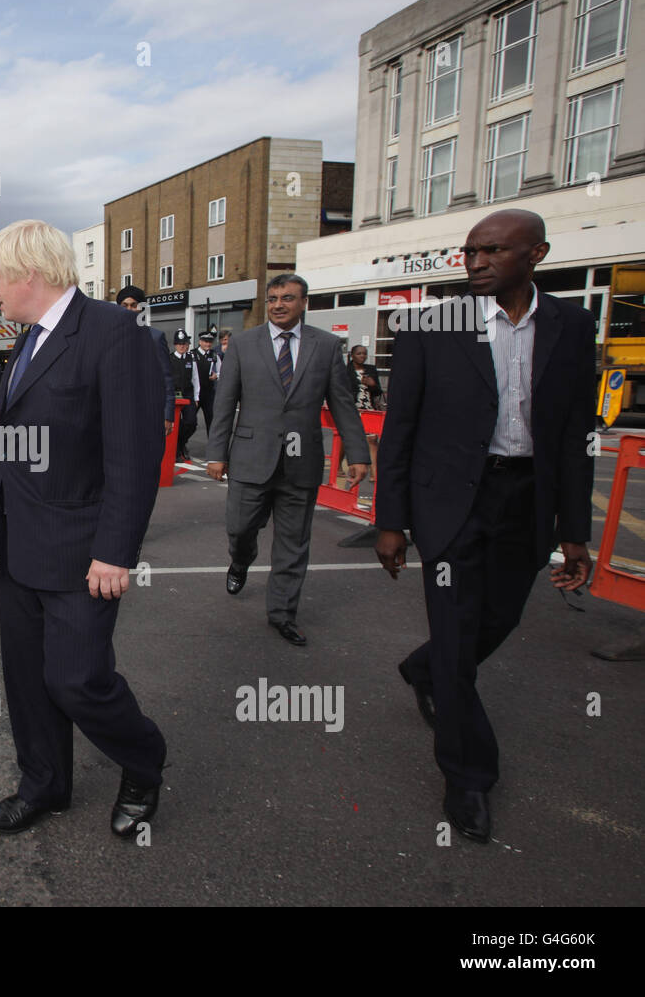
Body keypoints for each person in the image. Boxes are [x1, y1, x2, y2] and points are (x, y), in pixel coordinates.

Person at [0, 220, 167, 839]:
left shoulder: (115, 334)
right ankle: (44, 786)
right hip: (18, 544)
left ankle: (144, 762)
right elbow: (20, 436)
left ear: (30, 272)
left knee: (78, 681)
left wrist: (116, 552)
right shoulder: (28, 340)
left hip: (82, 552)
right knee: (30, 684)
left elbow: (134, 456)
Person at [375, 209, 595, 843]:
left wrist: (573, 531)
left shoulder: (572, 325)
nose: (475, 262)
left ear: (536, 255)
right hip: (450, 504)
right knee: (455, 638)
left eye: (493, 251)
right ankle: (468, 776)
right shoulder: (428, 324)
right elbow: (401, 429)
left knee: (499, 619)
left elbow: (577, 435)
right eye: (469, 252)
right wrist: (391, 521)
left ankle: (425, 670)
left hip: (528, 501)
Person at [206, 274, 369, 646]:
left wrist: (358, 453)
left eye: (288, 298)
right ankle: (240, 560)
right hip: (250, 459)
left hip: (302, 462)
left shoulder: (327, 346)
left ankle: (282, 613)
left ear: (304, 303)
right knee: (240, 528)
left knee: (293, 544)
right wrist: (217, 453)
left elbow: (342, 403)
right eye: (273, 298)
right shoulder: (244, 344)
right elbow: (225, 402)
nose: (279, 304)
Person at [118, 285, 175, 437]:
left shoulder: (155, 337)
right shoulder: (109, 338)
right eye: (124, 305)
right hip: (117, 413)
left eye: (133, 305)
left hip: (147, 413)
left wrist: (168, 414)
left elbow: (166, 379)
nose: (129, 309)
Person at [342, 344, 382, 493]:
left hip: (368, 409)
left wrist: (372, 384)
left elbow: (378, 391)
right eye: (359, 354)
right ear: (352, 355)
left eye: (364, 354)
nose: (362, 356)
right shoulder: (345, 371)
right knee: (348, 439)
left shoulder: (371, 369)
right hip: (352, 409)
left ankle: (374, 473)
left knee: (372, 440)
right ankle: (342, 466)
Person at [169, 329, 200, 462]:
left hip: (187, 394)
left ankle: (181, 443)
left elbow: (195, 379)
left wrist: (197, 396)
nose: (182, 346)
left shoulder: (191, 359)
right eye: (179, 343)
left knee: (191, 422)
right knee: (175, 424)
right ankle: (176, 449)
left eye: (184, 343)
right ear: (175, 345)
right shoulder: (169, 358)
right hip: (174, 394)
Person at [194, 330, 218, 440]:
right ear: (200, 342)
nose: (208, 344)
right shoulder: (192, 354)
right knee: (189, 421)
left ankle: (213, 448)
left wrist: (216, 375)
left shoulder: (214, 355)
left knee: (212, 422)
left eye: (210, 342)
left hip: (209, 393)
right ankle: (181, 445)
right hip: (195, 393)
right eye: (205, 341)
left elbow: (221, 372)